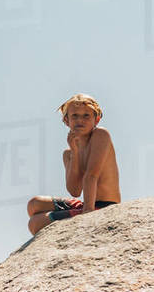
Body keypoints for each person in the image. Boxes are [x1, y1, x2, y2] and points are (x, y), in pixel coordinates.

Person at [26, 93, 121, 235]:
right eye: (74, 116)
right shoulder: (68, 154)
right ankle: (82, 211)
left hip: (103, 206)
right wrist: (75, 153)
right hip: (85, 205)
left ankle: (85, 212)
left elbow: (91, 175)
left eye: (86, 116)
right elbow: (75, 190)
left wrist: (88, 213)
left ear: (97, 119)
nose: (80, 120)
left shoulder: (100, 135)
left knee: (35, 223)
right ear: (66, 120)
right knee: (34, 204)